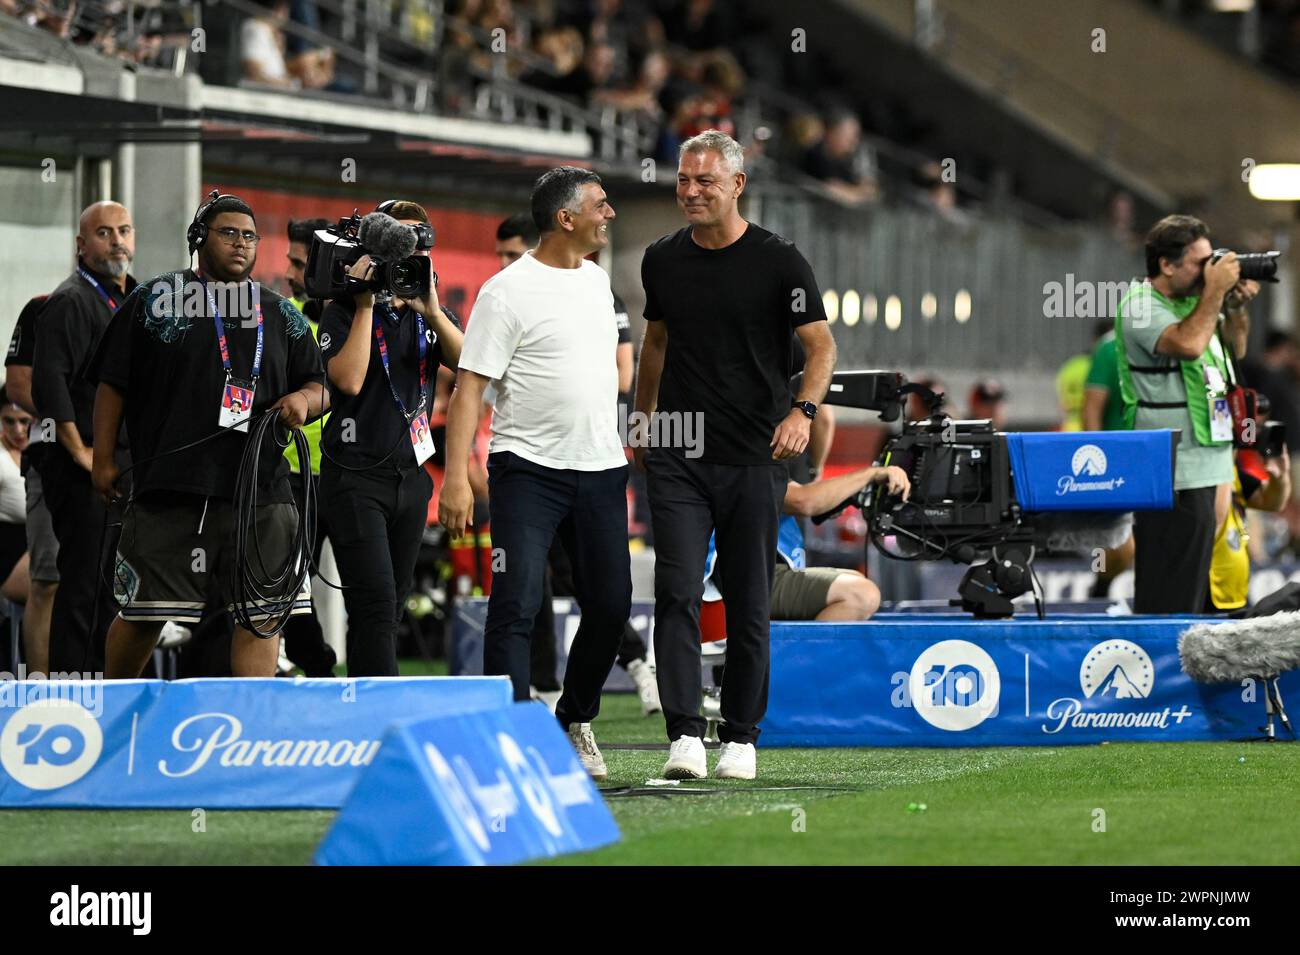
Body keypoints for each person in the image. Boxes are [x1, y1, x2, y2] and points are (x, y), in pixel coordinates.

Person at [635, 130, 836, 781]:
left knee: (749, 597)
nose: (690, 191)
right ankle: (685, 733)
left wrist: (801, 413)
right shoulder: (661, 259)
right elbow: (656, 343)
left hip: (755, 453)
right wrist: (643, 420)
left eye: (705, 182)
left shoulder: (781, 261)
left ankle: (741, 738)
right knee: (675, 590)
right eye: (684, 181)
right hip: (679, 456)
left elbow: (822, 346)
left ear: (737, 185)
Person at [440, 166, 631, 781]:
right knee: (515, 603)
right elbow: (470, 390)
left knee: (610, 606)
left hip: (602, 470)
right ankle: (510, 736)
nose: (610, 214)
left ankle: (573, 719)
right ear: (566, 219)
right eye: (600, 205)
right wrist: (455, 477)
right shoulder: (505, 292)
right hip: (527, 472)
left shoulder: (600, 283)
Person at [89, 191, 327, 678]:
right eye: (228, 233)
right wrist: (102, 459)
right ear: (199, 239)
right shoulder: (155, 301)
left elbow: (322, 384)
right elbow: (113, 382)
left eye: (249, 236)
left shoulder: (280, 312)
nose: (241, 244)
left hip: (263, 492)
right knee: (143, 614)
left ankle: (248, 732)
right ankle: (111, 708)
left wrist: (304, 401)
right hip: (172, 489)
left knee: (261, 620)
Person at [317, 200, 462, 677]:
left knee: (390, 608)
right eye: (397, 237)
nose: (407, 247)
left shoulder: (427, 307)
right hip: (356, 476)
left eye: (417, 238)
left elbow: (468, 364)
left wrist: (433, 310)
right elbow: (349, 380)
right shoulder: (342, 308)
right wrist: (364, 303)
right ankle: (383, 718)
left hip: (411, 478)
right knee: (376, 604)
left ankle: (362, 713)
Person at [1115, 214, 1258, 614]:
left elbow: (1235, 349)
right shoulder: (1141, 305)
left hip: (1209, 460)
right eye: (1200, 262)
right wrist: (1214, 292)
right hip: (1173, 466)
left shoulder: (1196, 303)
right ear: (1166, 264)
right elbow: (1190, 344)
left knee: (1199, 592)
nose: (1208, 271)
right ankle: (1162, 671)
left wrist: (1236, 307)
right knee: (1172, 590)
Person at [32, 200, 138, 674]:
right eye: (103, 232)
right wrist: (80, 451)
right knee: (81, 584)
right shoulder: (71, 300)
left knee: (113, 586)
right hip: (83, 470)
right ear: (81, 245)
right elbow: (47, 382)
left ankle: (108, 691)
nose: (116, 239)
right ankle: (70, 697)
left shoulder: (135, 298)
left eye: (124, 230)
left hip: (121, 466)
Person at [280, 217, 337, 677]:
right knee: (290, 583)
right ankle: (316, 666)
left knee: (373, 589)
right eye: (291, 261)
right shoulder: (285, 317)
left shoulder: (359, 317)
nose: (290, 272)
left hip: (348, 472)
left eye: (300, 264)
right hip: (294, 472)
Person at [5, 294, 58, 674]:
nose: (19, 430)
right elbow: (17, 386)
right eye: (11, 423)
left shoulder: (131, 302)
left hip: (107, 461)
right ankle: (40, 684)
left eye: (25, 423)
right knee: (49, 580)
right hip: (9, 554)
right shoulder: (43, 307)